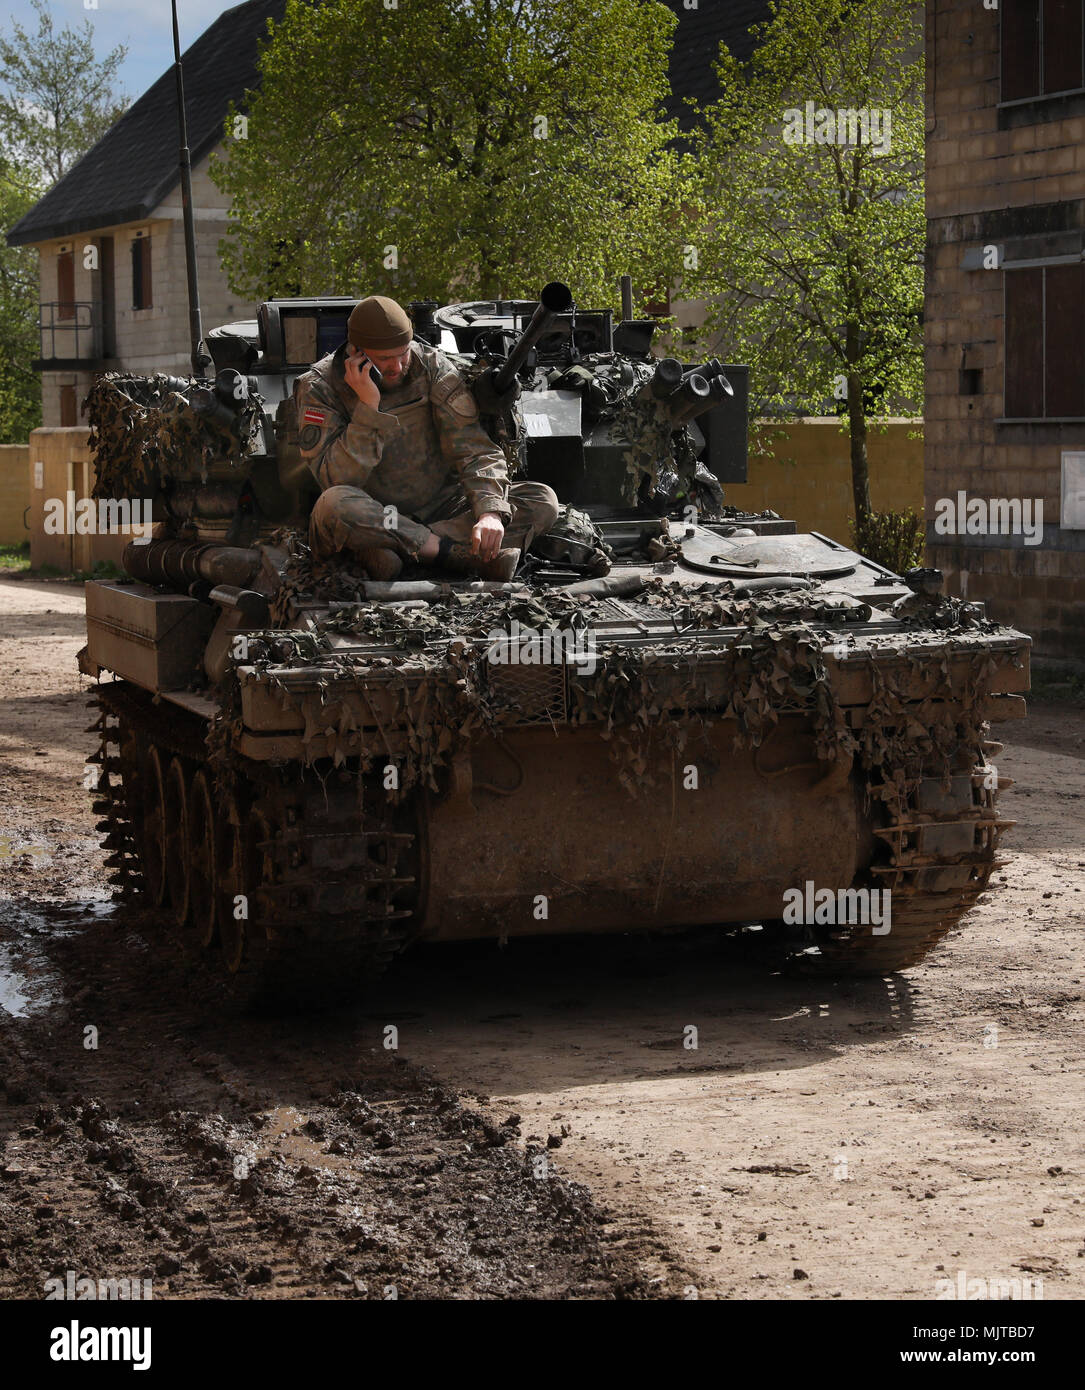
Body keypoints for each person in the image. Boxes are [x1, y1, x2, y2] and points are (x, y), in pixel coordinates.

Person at [294, 294, 558, 580]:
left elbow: (473, 449)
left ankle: (407, 551)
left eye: (403, 353)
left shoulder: (431, 367)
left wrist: (489, 514)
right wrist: (368, 408)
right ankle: (449, 554)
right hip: (376, 515)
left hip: (440, 512)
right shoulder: (319, 387)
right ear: (357, 352)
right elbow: (337, 479)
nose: (397, 367)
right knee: (334, 504)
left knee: (542, 499)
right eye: (384, 359)